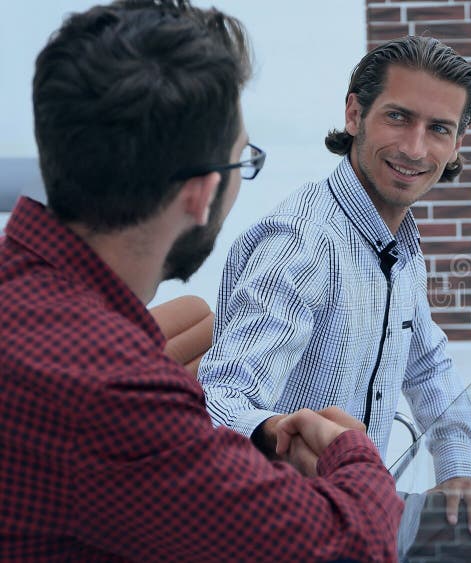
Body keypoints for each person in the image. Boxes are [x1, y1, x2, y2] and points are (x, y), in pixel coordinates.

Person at [0, 2, 402, 561]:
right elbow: (355, 546)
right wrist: (353, 452)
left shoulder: (22, 278)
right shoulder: (113, 394)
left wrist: (250, 438)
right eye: (244, 162)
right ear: (201, 193)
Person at [199, 35, 471, 535]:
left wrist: (457, 466)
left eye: (438, 128)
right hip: (285, 525)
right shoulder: (304, 243)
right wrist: (278, 437)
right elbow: (218, 400)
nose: (415, 149)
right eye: (398, 117)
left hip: (354, 511)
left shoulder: (396, 238)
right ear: (355, 114)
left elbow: (427, 362)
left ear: (456, 144)